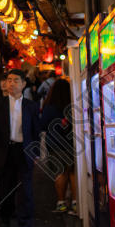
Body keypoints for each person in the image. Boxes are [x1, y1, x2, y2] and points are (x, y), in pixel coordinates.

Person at [0, 68, 42, 227]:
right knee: (4, 189)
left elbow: (36, 131)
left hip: (23, 151)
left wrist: (36, 152)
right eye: (8, 80)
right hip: (4, 151)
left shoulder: (31, 106)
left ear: (24, 84)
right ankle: (5, 217)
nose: (11, 83)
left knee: (26, 192)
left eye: (16, 80)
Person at [42, 77, 75, 212]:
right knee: (73, 172)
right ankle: (75, 202)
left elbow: (42, 125)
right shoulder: (72, 106)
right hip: (72, 143)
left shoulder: (49, 107)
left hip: (54, 145)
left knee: (59, 173)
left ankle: (61, 202)